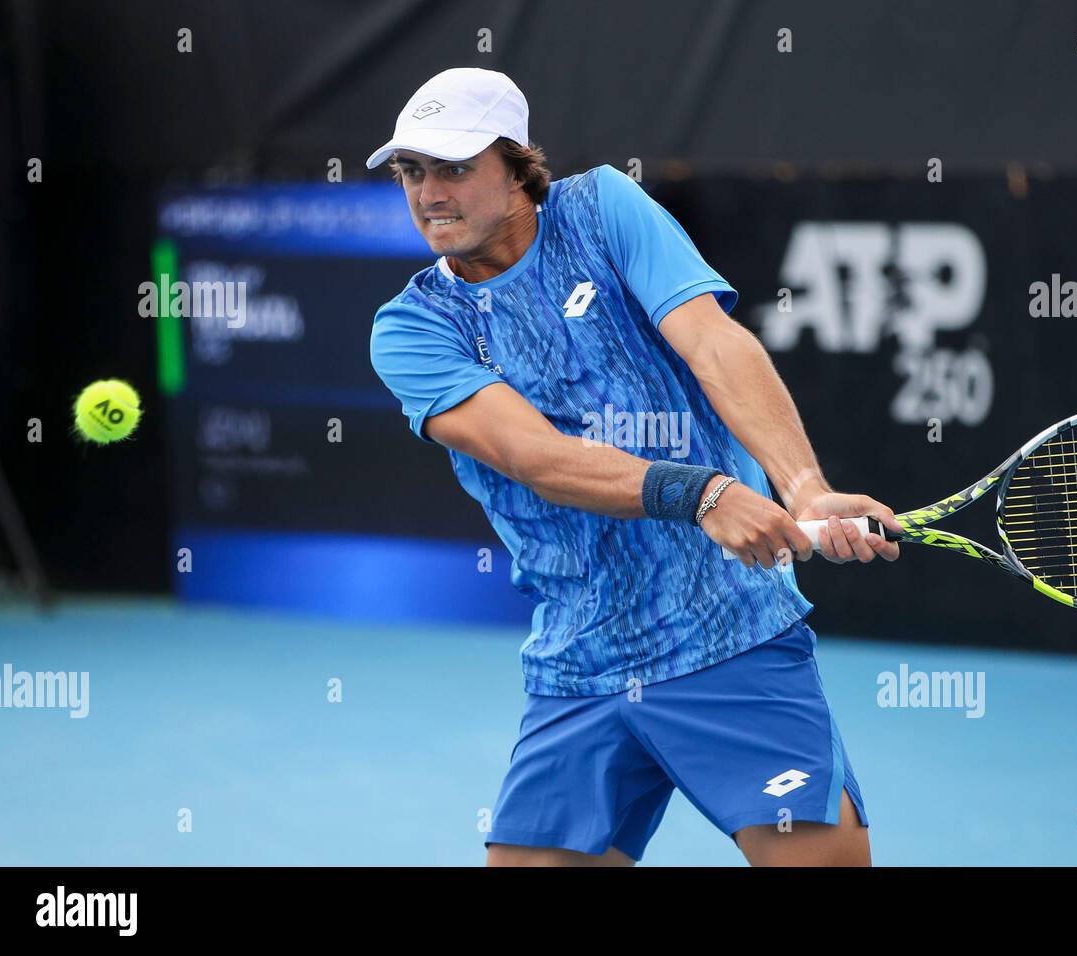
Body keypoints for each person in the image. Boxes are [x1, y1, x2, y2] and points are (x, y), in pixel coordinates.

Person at [367, 67, 901, 866]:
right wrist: (703, 492)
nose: (428, 193)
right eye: (412, 171)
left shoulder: (603, 208)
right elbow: (533, 456)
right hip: (580, 659)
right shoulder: (410, 329)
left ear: (516, 168)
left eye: (453, 168)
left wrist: (803, 487)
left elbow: (713, 343)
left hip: (727, 631)